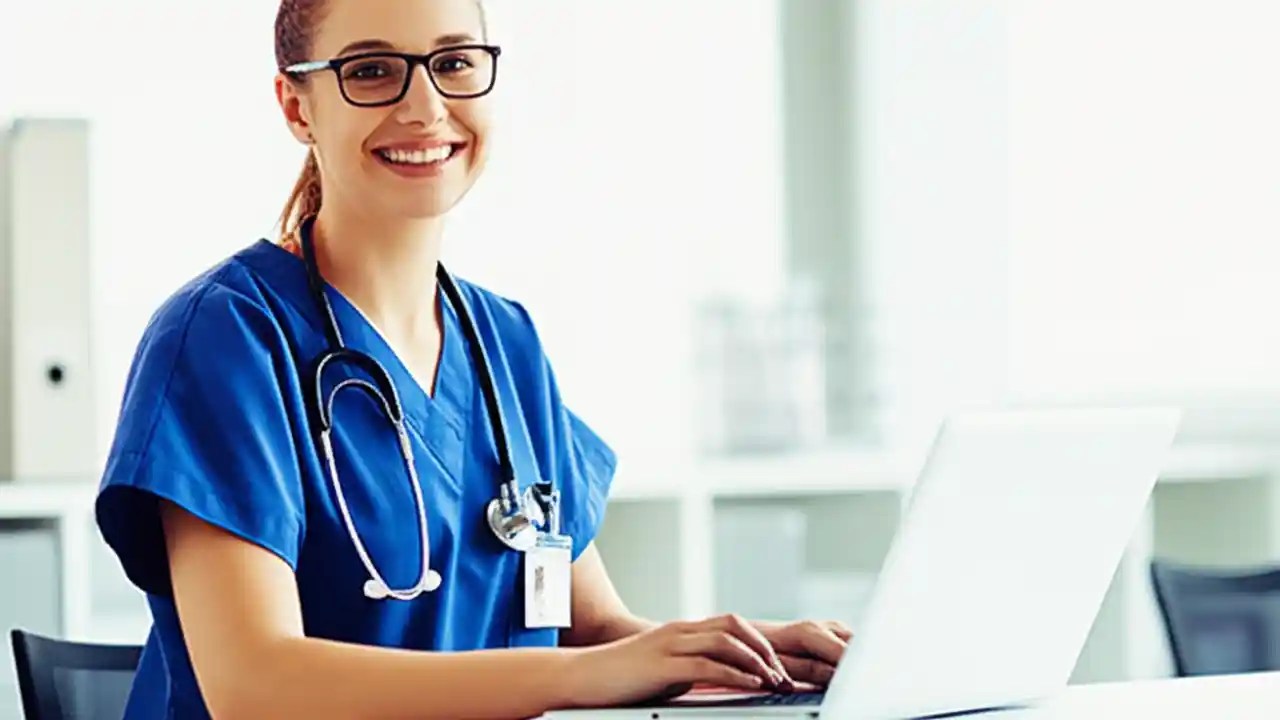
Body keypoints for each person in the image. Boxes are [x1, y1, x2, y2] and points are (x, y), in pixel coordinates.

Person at [94, 1, 852, 718]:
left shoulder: (504, 344)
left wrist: (746, 654)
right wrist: (586, 673)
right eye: (371, 70)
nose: (425, 106)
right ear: (297, 107)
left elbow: (592, 631)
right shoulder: (227, 337)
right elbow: (254, 685)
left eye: (454, 63)